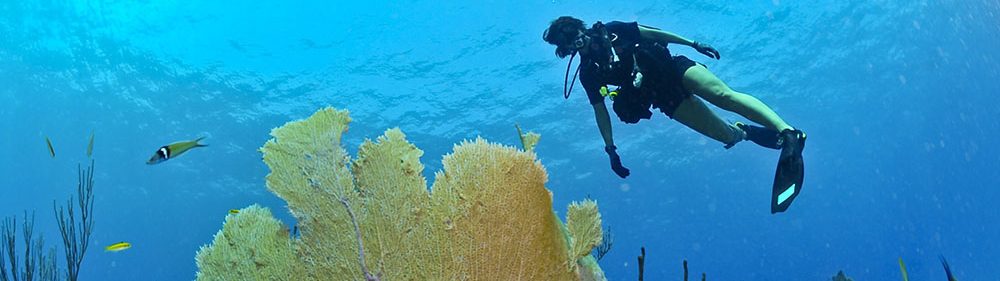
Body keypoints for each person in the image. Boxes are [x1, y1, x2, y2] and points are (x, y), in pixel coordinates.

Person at [542, 16, 807, 213]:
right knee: (724, 135)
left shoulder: (613, 30)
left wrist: (694, 44)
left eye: (574, 33)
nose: (578, 41)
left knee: (723, 95)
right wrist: (610, 149)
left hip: (674, 68)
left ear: (580, 27)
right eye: (568, 42)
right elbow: (600, 112)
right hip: (664, 99)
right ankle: (745, 131)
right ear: (566, 50)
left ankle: (788, 132)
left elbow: (654, 34)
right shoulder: (589, 73)